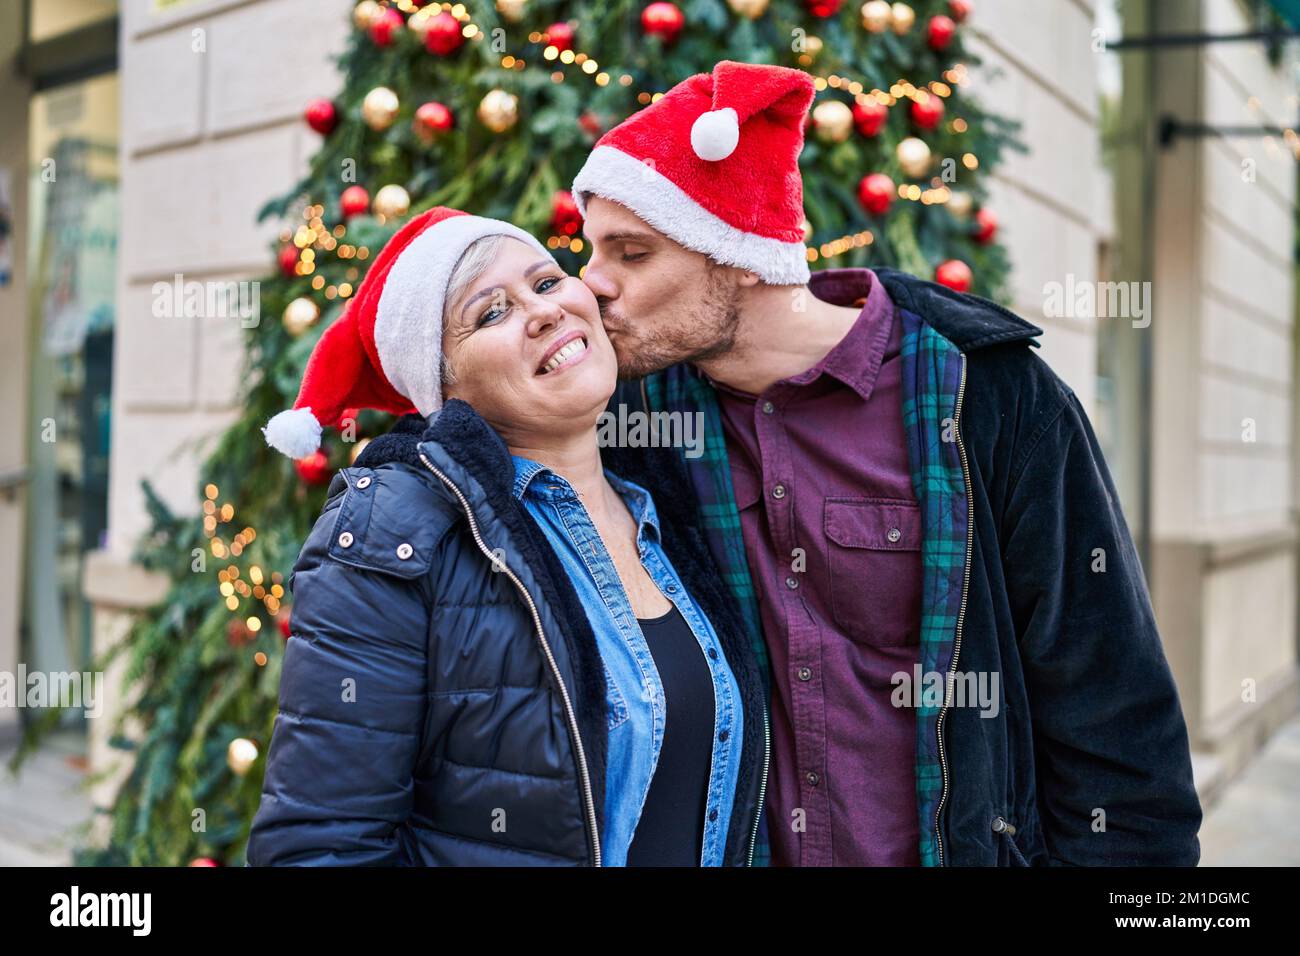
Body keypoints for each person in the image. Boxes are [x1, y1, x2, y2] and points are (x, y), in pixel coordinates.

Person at [570, 60, 1203, 866]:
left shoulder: (991, 398)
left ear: (734, 251)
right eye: (593, 250)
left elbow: (1112, 711)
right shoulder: (636, 422)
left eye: (631, 252)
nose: (593, 284)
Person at [246, 207, 768, 866]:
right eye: (490, 313)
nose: (544, 311)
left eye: (547, 283)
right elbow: (317, 848)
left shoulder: (668, 503)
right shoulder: (397, 533)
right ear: (444, 388)